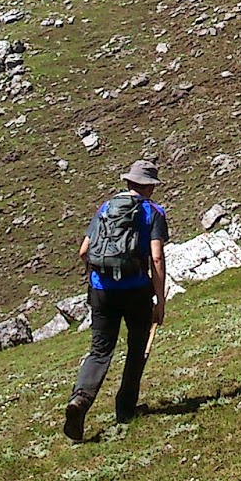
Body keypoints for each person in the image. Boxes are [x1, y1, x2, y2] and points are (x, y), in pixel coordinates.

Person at [63, 159, 168, 441]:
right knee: (136, 348)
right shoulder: (153, 212)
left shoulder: (106, 208)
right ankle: (125, 409)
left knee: (99, 350)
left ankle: (80, 400)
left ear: (128, 182)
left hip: (101, 290)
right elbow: (156, 257)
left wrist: (98, 277)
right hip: (136, 290)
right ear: (150, 187)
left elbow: (84, 251)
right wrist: (160, 299)